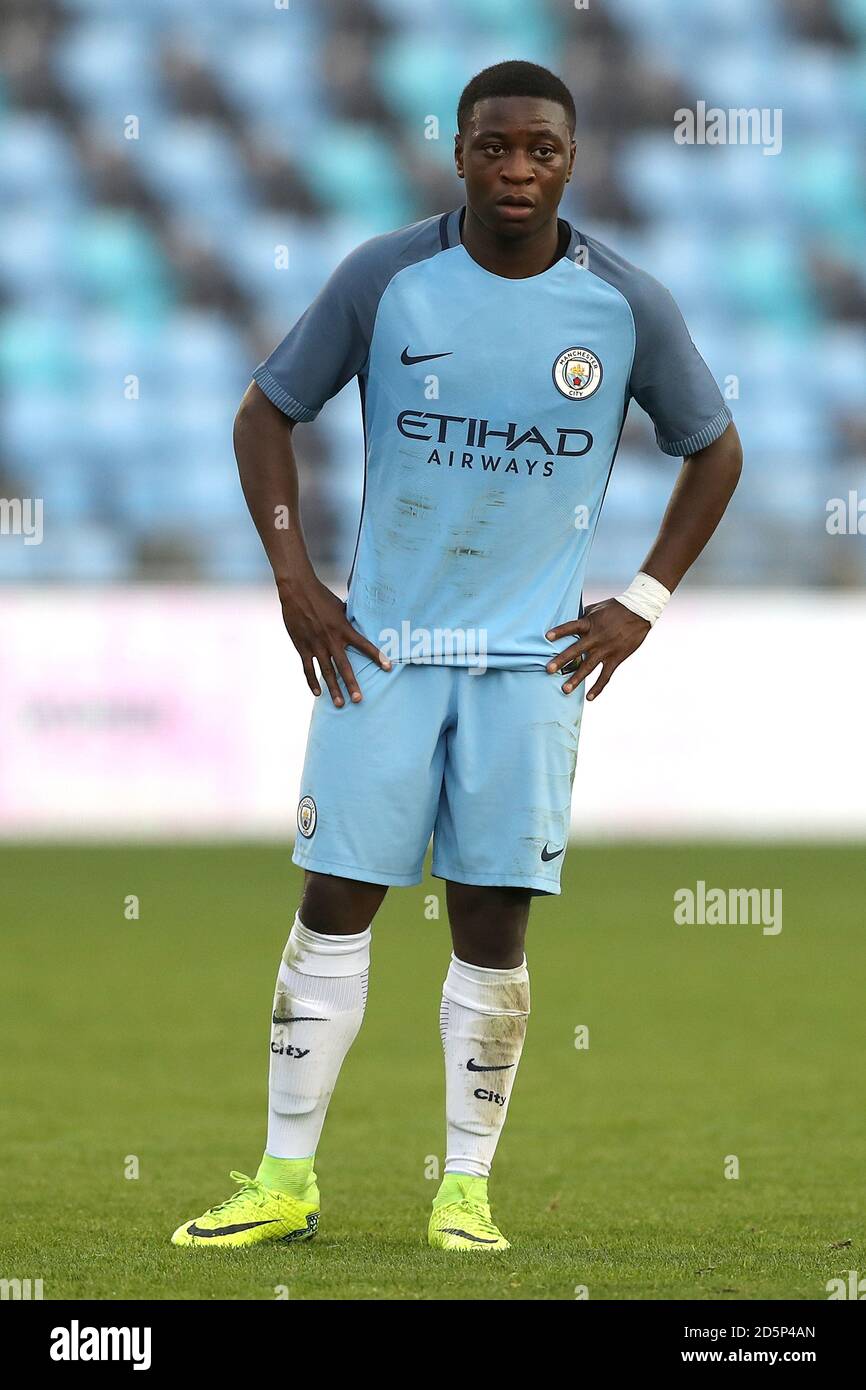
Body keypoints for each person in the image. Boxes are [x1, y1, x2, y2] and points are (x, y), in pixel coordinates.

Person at [171, 60, 742, 1253]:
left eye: (539, 148)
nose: (517, 169)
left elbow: (713, 447)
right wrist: (296, 581)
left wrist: (639, 598)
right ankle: (284, 1179)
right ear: (459, 154)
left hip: (529, 666)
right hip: (381, 650)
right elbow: (264, 412)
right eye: (495, 147)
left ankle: (464, 1191)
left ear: (572, 159)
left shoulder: (621, 303)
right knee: (334, 903)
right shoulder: (387, 278)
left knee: (492, 920)